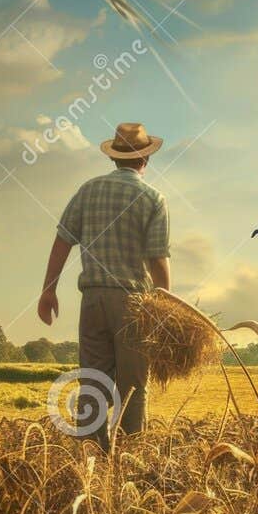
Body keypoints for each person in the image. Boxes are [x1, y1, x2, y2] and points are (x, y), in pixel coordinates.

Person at [38, 122, 171, 447]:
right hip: (133, 304)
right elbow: (156, 258)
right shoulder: (153, 198)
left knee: (93, 383)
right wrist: (166, 304)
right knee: (133, 385)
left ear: (115, 158)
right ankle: (128, 459)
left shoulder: (88, 190)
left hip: (93, 300)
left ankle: (88, 461)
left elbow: (62, 242)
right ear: (145, 160)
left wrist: (48, 290)